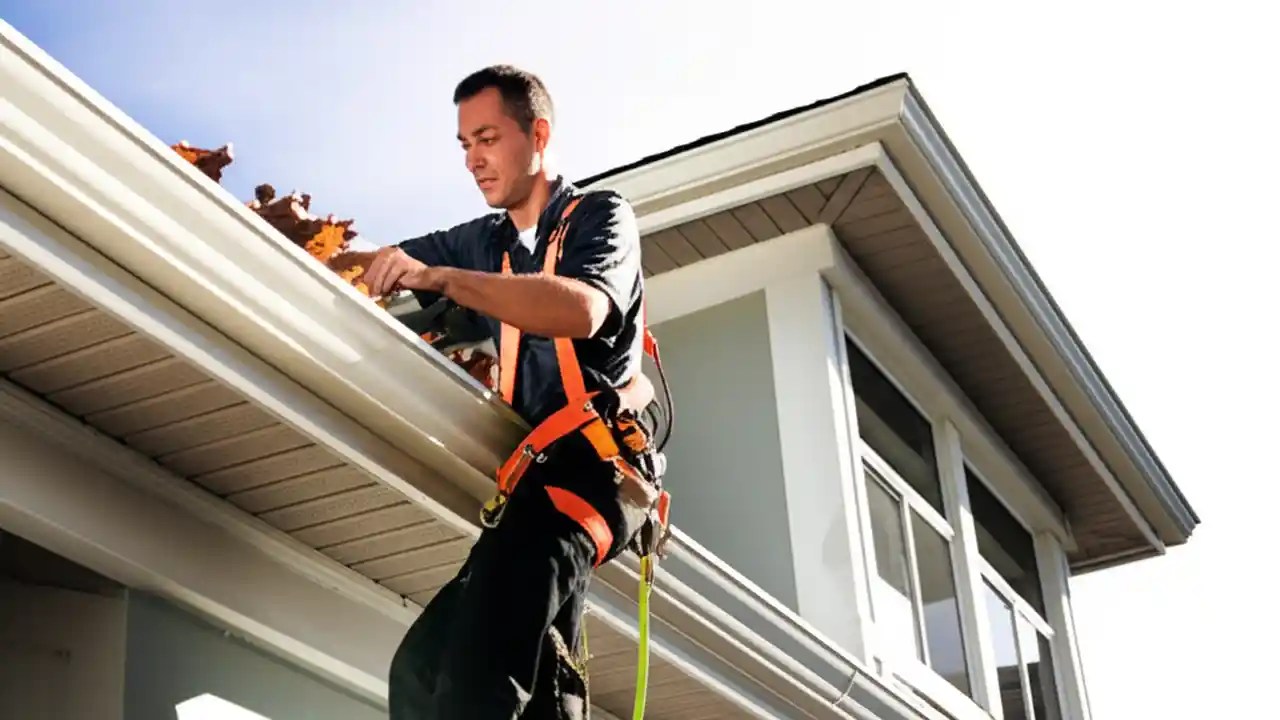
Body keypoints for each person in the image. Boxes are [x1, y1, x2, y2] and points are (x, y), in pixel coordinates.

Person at [363, 65, 663, 719]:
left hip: (591, 477)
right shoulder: (485, 243)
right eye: (464, 144)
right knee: (421, 672)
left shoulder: (598, 217)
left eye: (488, 138)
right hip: (530, 490)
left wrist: (443, 278)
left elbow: (582, 310)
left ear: (539, 134)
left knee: (478, 677)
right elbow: (378, 264)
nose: (473, 159)